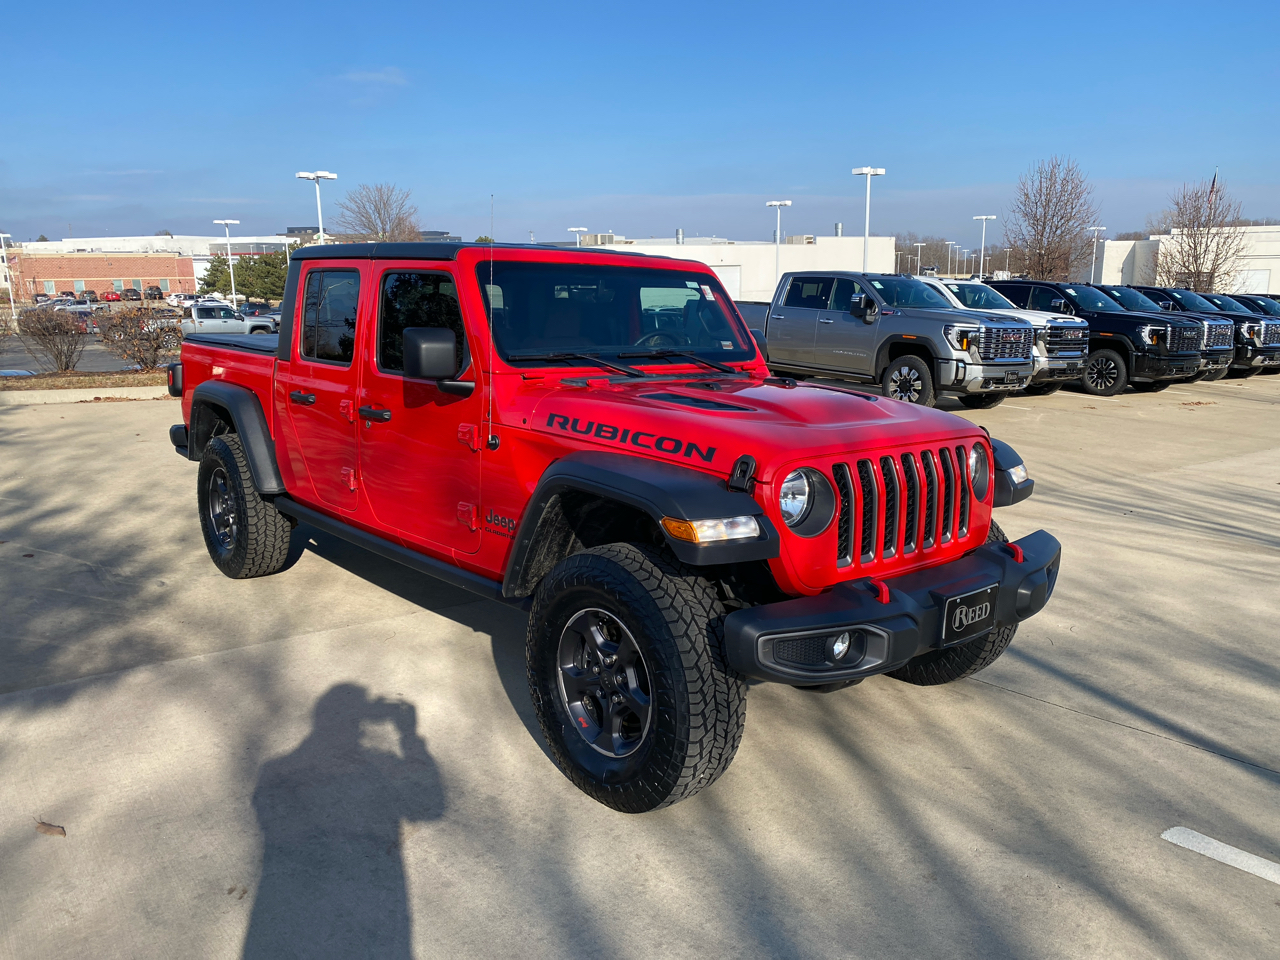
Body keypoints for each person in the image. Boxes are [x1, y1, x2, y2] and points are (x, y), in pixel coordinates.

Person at [242, 683, 445, 959]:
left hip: (307, 925)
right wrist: (408, 735)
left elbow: (429, 805)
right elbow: (429, 804)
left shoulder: (279, 771)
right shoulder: (379, 769)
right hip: (366, 923)